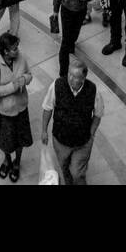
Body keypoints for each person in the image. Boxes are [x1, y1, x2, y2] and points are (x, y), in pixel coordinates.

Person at [42, 57, 103, 186]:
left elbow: (98, 114)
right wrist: (44, 130)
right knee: (64, 168)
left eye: (74, 76)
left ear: (83, 78)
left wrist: (91, 133)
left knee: (77, 173)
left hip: (82, 143)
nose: (70, 78)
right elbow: (47, 108)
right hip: (60, 141)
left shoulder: (93, 90)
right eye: (69, 74)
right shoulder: (57, 85)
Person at [0, 32, 33, 183]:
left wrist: (24, 79)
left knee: (20, 140)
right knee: (6, 141)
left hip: (21, 108)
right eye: (13, 48)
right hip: (4, 112)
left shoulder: (21, 58)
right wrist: (13, 86)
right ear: (5, 51)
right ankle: (7, 160)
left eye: (17, 47)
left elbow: (29, 75)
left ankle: (17, 162)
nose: (17, 50)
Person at [52, 0, 95, 77]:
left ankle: (71, 46)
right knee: (66, 41)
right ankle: (63, 73)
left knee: (74, 36)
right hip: (66, 11)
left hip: (80, 11)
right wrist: (55, 10)